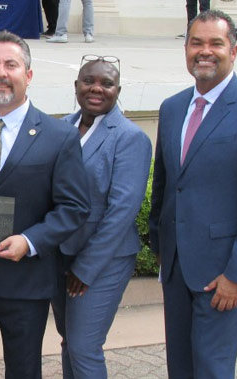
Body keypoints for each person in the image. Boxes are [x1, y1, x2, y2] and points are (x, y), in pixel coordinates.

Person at [148, 10, 237, 379]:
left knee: (211, 367)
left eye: (216, 43)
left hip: (223, 274)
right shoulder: (173, 107)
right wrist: (160, 246)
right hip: (177, 267)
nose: (204, 51)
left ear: (234, 51)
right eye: (197, 43)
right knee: (181, 365)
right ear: (186, 49)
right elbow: (165, 184)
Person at [0, 31, 90, 379]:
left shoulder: (60, 136)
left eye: (11, 64)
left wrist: (30, 241)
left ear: (28, 75)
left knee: (24, 372)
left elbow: (74, 207)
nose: (1, 72)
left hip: (25, 282)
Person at [51, 55, 152, 379]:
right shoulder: (61, 127)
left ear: (117, 90)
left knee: (84, 347)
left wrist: (86, 267)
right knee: (70, 342)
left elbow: (122, 210)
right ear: (76, 86)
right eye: (88, 81)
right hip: (60, 255)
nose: (96, 88)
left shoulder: (129, 137)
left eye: (106, 83)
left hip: (103, 261)